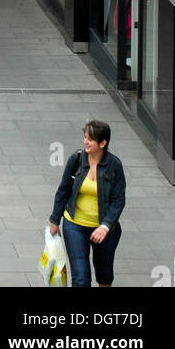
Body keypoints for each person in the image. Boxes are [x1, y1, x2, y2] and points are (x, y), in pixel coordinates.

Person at [49, 120, 126, 288]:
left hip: (104, 230)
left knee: (104, 275)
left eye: (90, 139)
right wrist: (54, 220)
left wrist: (105, 226)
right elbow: (63, 190)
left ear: (103, 143)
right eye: (85, 137)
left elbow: (118, 200)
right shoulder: (76, 159)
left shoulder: (114, 166)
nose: (85, 142)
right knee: (80, 278)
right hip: (74, 225)